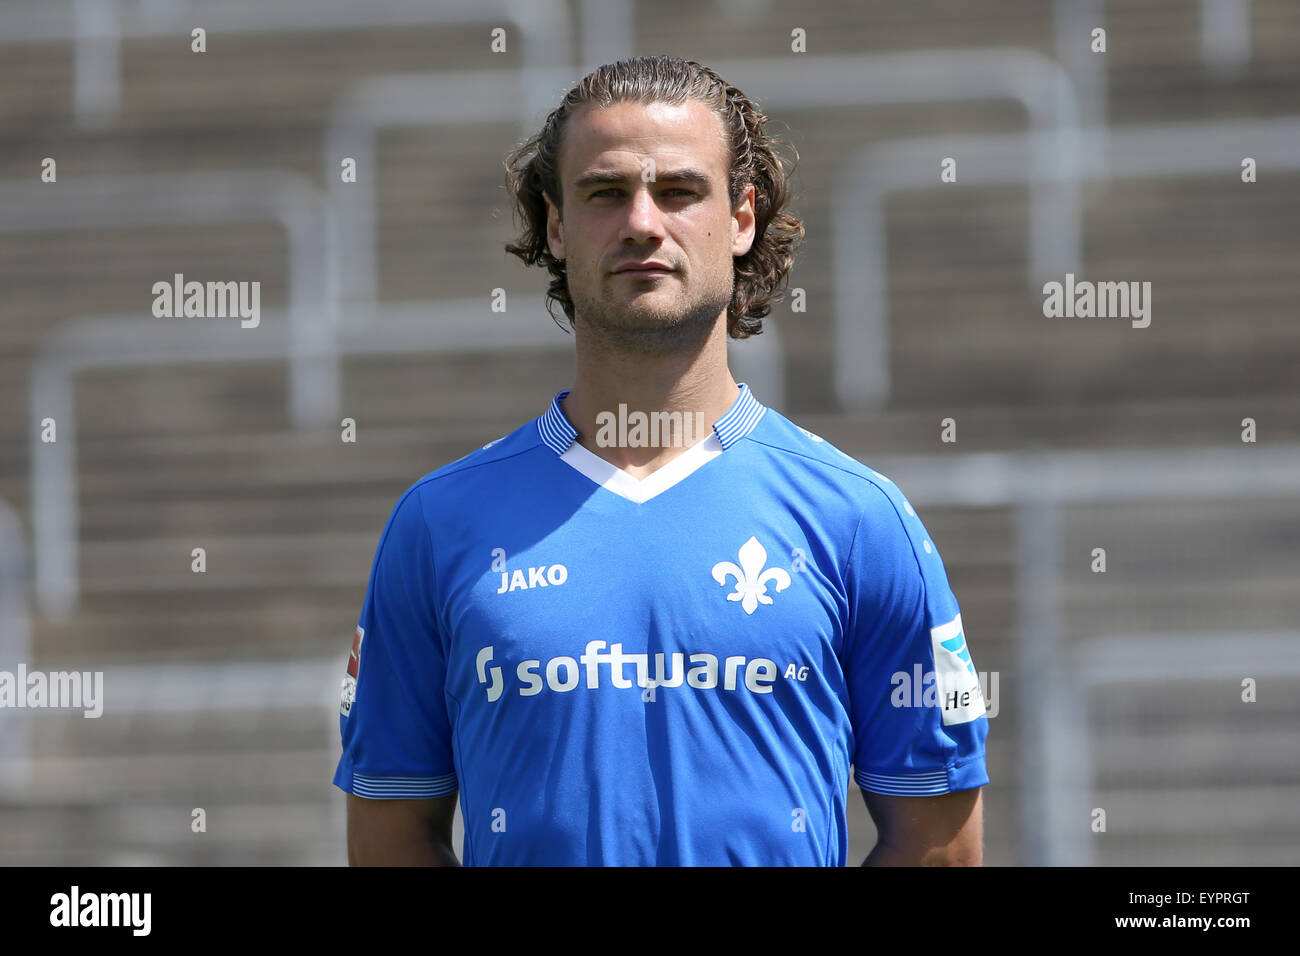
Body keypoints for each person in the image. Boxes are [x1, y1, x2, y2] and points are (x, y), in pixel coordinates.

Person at [334, 55, 988, 866]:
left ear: (742, 217)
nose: (643, 222)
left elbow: (940, 848)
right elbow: (391, 844)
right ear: (556, 225)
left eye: (679, 191)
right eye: (606, 193)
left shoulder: (859, 520)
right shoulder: (438, 525)